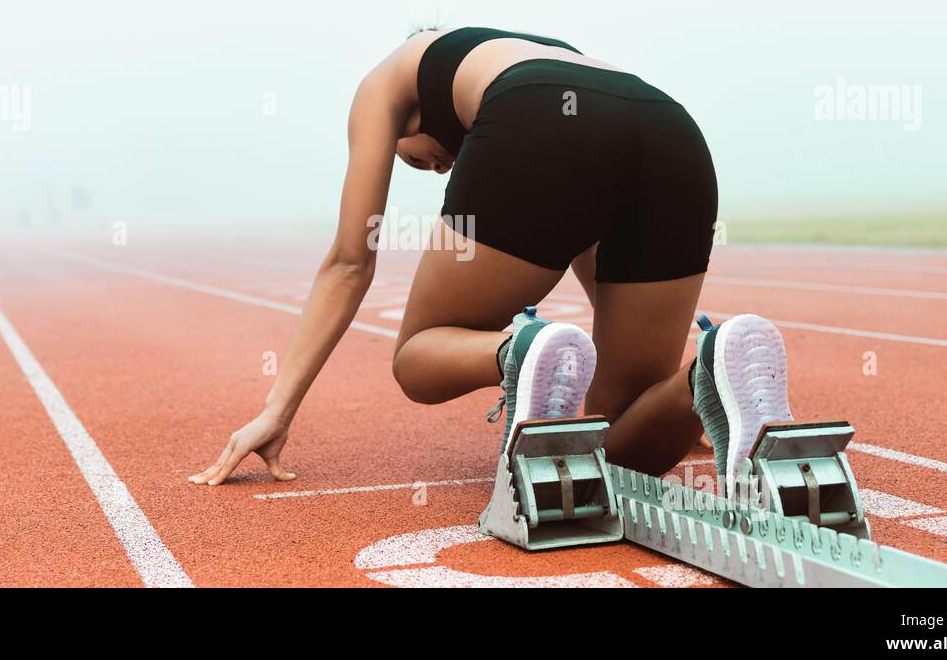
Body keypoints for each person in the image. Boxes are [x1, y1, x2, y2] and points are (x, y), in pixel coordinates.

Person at [189, 27, 793, 494]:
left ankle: (516, 350)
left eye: (419, 161)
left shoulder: (386, 79)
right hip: (670, 129)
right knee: (614, 444)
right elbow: (591, 225)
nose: (440, 167)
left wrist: (278, 409)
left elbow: (351, 261)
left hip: (536, 123)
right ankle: (707, 380)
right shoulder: (538, 52)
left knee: (416, 358)